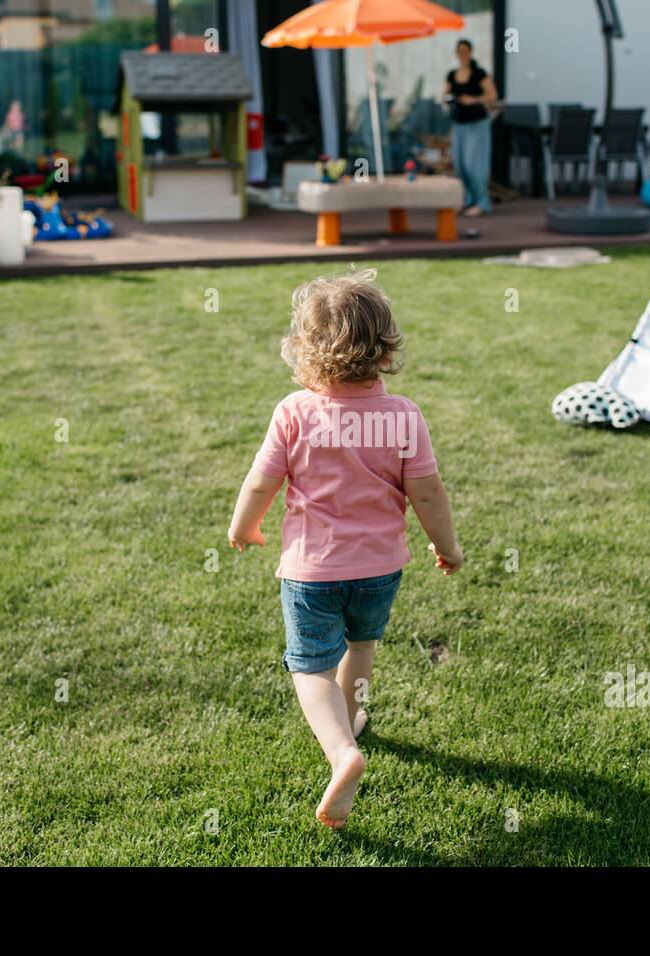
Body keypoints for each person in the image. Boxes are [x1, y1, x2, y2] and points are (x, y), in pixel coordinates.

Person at [227, 270, 464, 830]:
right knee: (361, 643)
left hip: (312, 571)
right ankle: (354, 715)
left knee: (309, 666)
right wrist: (446, 546)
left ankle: (341, 751)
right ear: (384, 348)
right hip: (380, 568)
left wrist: (244, 527)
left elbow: (261, 482)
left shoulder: (294, 412)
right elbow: (427, 492)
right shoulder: (404, 415)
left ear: (304, 350)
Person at [444, 38, 497, 216]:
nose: (463, 55)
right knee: (460, 164)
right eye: (460, 51)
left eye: (466, 51)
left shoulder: (479, 73)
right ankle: (468, 199)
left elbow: (492, 95)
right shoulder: (452, 75)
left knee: (474, 164)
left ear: (471, 52)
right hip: (459, 124)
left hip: (477, 124)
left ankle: (483, 202)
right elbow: (445, 95)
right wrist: (450, 100)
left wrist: (473, 99)